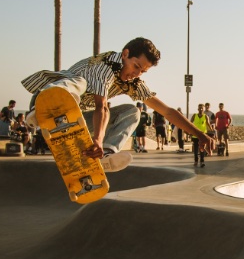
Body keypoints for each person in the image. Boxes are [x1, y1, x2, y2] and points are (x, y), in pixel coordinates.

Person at [22, 37, 216, 171]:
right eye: (136, 66)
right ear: (125, 54)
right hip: (46, 101)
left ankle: (105, 155)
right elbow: (102, 108)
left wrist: (201, 134)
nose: (136, 74)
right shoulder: (105, 66)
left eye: (143, 72)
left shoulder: (133, 83)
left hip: (76, 119)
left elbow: (167, 112)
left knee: (133, 112)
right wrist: (97, 137)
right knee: (78, 83)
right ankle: (43, 110)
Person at [191, 103, 212, 168]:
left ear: (203, 109)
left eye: (202, 108)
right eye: (199, 108)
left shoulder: (205, 116)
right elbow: (190, 123)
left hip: (203, 135)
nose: (200, 109)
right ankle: (196, 160)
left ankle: (202, 161)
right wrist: (189, 131)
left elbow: (208, 124)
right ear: (198, 109)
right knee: (196, 148)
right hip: (195, 134)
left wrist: (212, 131)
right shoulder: (194, 115)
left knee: (202, 148)